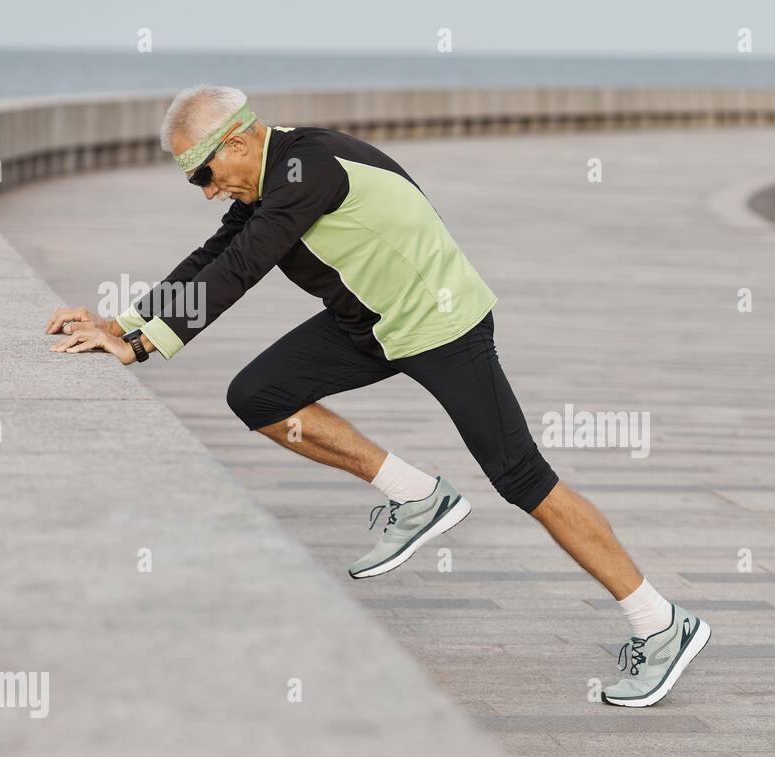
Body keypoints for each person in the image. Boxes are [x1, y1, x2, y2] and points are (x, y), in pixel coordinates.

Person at [46, 85, 710, 707]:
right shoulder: (269, 179)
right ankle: (417, 495)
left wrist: (139, 346)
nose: (204, 190)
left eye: (202, 172)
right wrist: (124, 324)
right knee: (259, 394)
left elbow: (243, 267)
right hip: (368, 321)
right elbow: (212, 255)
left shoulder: (309, 171)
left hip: (441, 325)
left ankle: (661, 623)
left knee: (522, 478)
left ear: (241, 138)